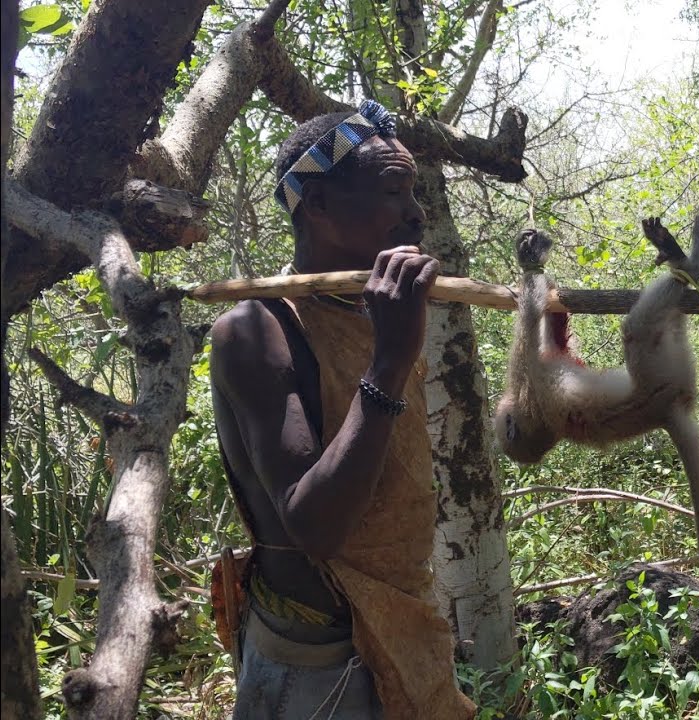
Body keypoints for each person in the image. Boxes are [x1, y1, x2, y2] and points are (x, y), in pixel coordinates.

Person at [210, 100, 476, 719]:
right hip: (317, 660)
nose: (416, 213)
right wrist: (388, 363)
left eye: (414, 192)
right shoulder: (257, 330)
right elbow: (315, 528)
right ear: (320, 207)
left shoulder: (365, 311)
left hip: (402, 624)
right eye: (393, 191)